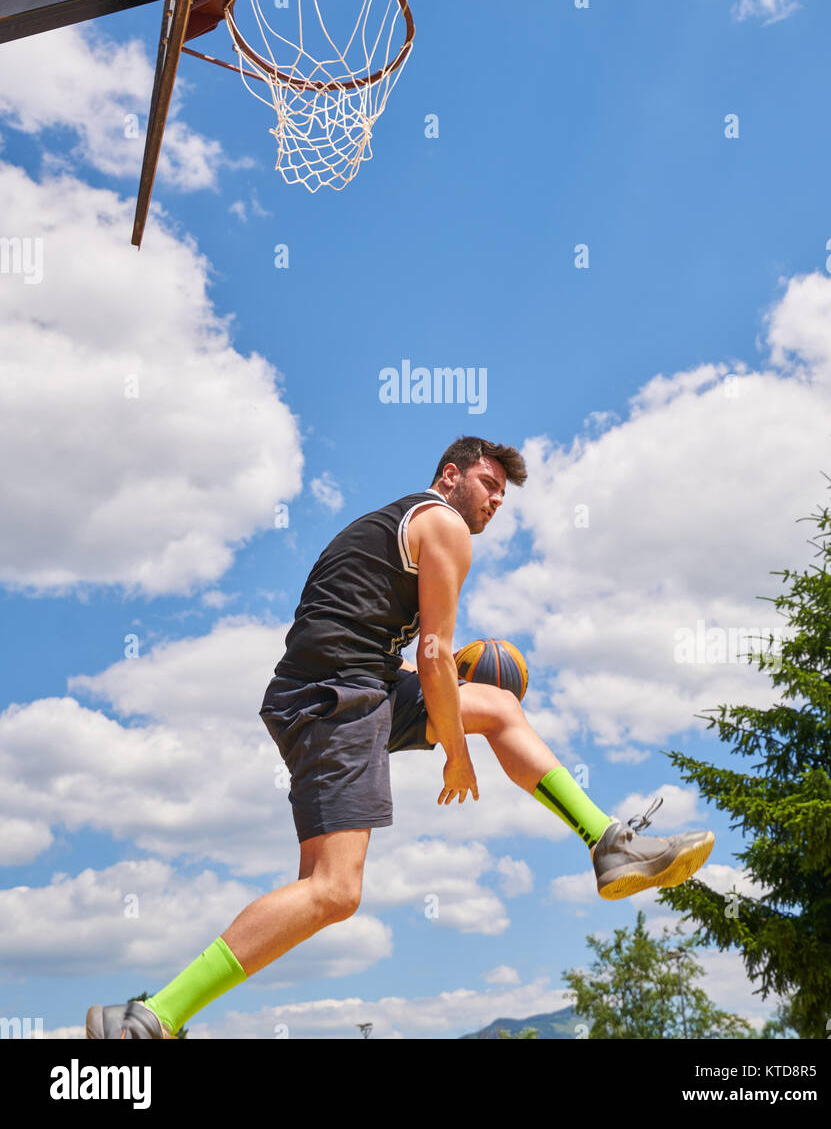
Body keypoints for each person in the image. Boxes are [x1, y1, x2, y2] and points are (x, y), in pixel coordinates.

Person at [86, 436, 714, 1039]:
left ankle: (608, 842)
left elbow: (399, 654)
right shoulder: (441, 525)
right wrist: (456, 757)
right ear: (450, 476)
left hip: (346, 690)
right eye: (488, 484)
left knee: (495, 707)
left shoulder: (393, 531)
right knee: (334, 891)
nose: (495, 501)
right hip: (338, 701)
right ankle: (147, 1018)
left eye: (503, 496)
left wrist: (451, 707)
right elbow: (436, 652)